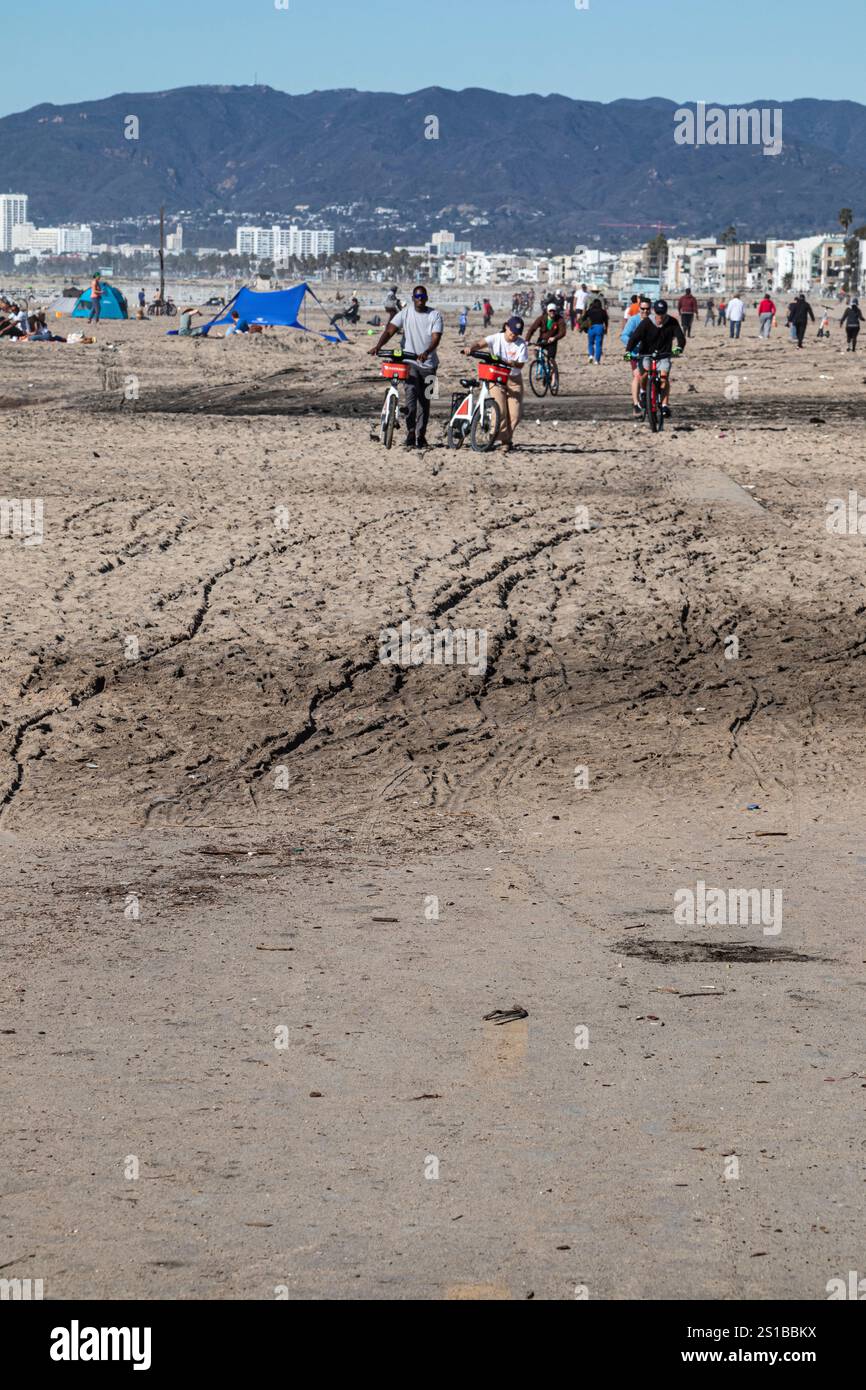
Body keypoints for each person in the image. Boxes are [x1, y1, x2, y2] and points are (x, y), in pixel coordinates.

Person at [370, 284, 443, 450]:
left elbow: (436, 338)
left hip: (430, 365)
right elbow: (389, 330)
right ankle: (410, 432)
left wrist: (427, 352)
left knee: (425, 402)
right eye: (417, 297)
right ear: (412, 298)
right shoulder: (406, 313)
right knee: (410, 398)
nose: (420, 300)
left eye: (422, 297)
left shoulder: (435, 315)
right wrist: (378, 346)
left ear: (426, 298)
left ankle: (421, 436)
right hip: (409, 362)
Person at [463, 315, 528, 453]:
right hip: (497, 377)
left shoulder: (521, 344)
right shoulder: (496, 338)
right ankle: (502, 441)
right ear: (506, 326)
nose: (514, 335)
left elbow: (521, 365)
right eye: (512, 331)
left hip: (513, 380)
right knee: (500, 411)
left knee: (515, 415)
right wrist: (471, 348)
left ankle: (506, 438)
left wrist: (513, 363)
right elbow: (480, 343)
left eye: (517, 333)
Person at [626, 299, 686, 417]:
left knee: (664, 378)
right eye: (658, 313)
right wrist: (628, 351)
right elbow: (635, 338)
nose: (660, 316)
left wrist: (679, 347)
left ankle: (664, 406)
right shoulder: (647, 322)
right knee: (643, 375)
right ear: (654, 312)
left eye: (662, 313)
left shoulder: (672, 322)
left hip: (664, 354)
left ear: (666, 312)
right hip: (646, 354)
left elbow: (681, 338)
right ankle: (644, 392)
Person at [620, 296, 652, 415]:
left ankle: (647, 395)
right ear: (639, 308)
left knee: (650, 374)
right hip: (635, 353)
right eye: (642, 309)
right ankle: (635, 404)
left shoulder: (653, 320)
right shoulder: (633, 320)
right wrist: (635, 344)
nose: (645, 311)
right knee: (638, 376)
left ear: (650, 309)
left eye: (647, 309)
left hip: (649, 353)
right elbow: (624, 336)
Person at [526, 300, 567, 368]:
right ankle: (540, 365)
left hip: (552, 342)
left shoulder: (559, 319)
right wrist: (527, 340)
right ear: (547, 311)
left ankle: (554, 376)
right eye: (550, 311)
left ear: (556, 311)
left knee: (551, 360)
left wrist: (555, 338)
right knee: (536, 350)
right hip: (542, 339)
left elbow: (562, 332)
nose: (552, 312)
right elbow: (532, 329)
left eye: (553, 311)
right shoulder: (541, 318)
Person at [584, 297, 609, 364]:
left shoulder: (589, 311)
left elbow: (583, 318)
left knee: (590, 343)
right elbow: (606, 321)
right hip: (600, 327)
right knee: (598, 345)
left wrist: (585, 328)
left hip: (591, 328)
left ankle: (591, 355)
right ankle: (597, 360)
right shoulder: (603, 311)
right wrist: (606, 329)